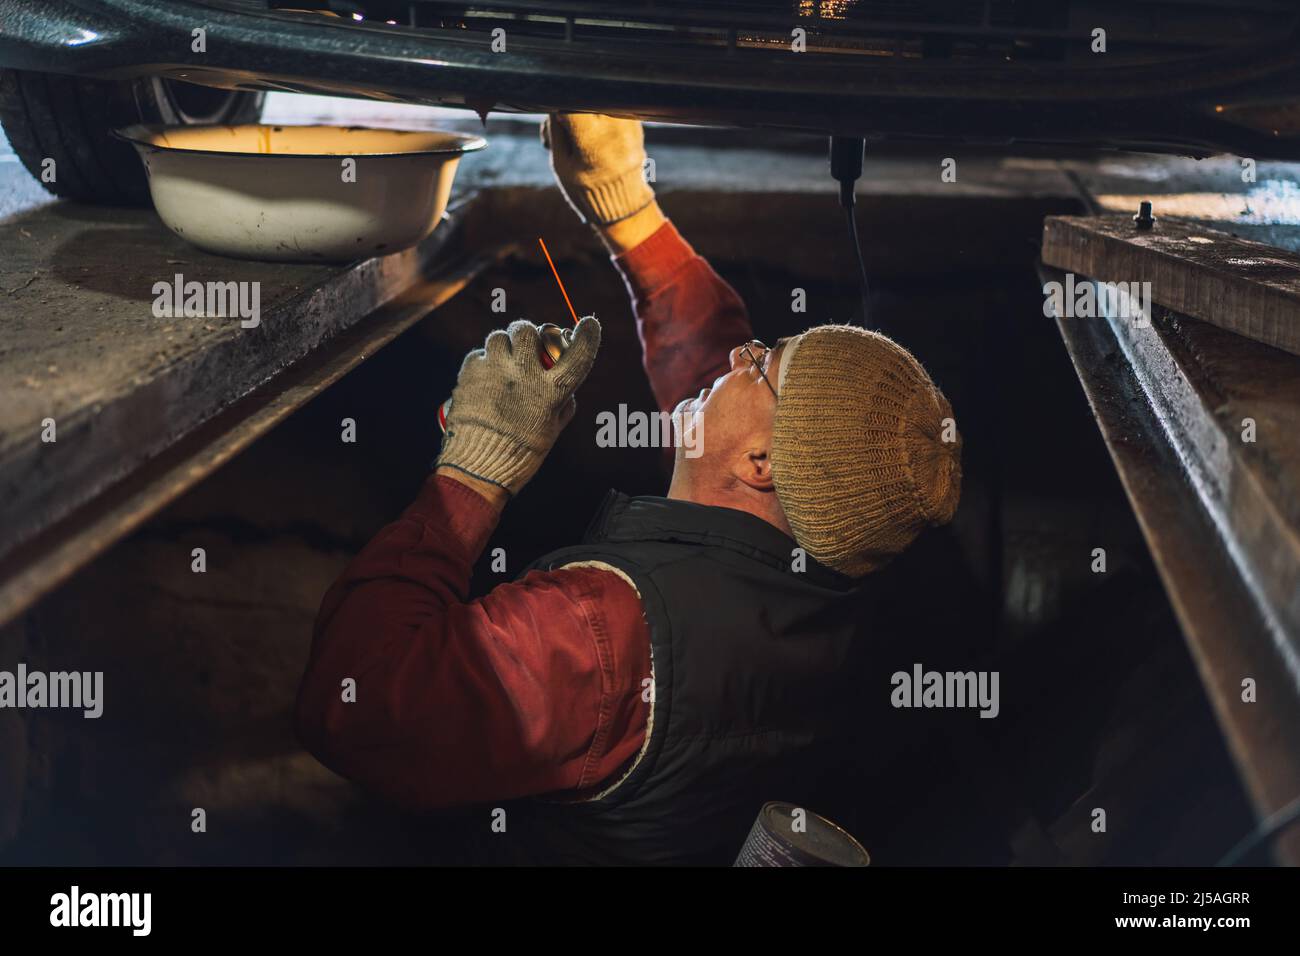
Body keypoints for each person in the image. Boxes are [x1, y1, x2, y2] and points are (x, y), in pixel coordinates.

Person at [295, 114, 962, 865]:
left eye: (766, 363)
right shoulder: (838, 568)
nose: (743, 351)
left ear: (762, 464)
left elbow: (356, 706)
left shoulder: (600, 632)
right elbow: (714, 357)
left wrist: (473, 473)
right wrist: (629, 212)